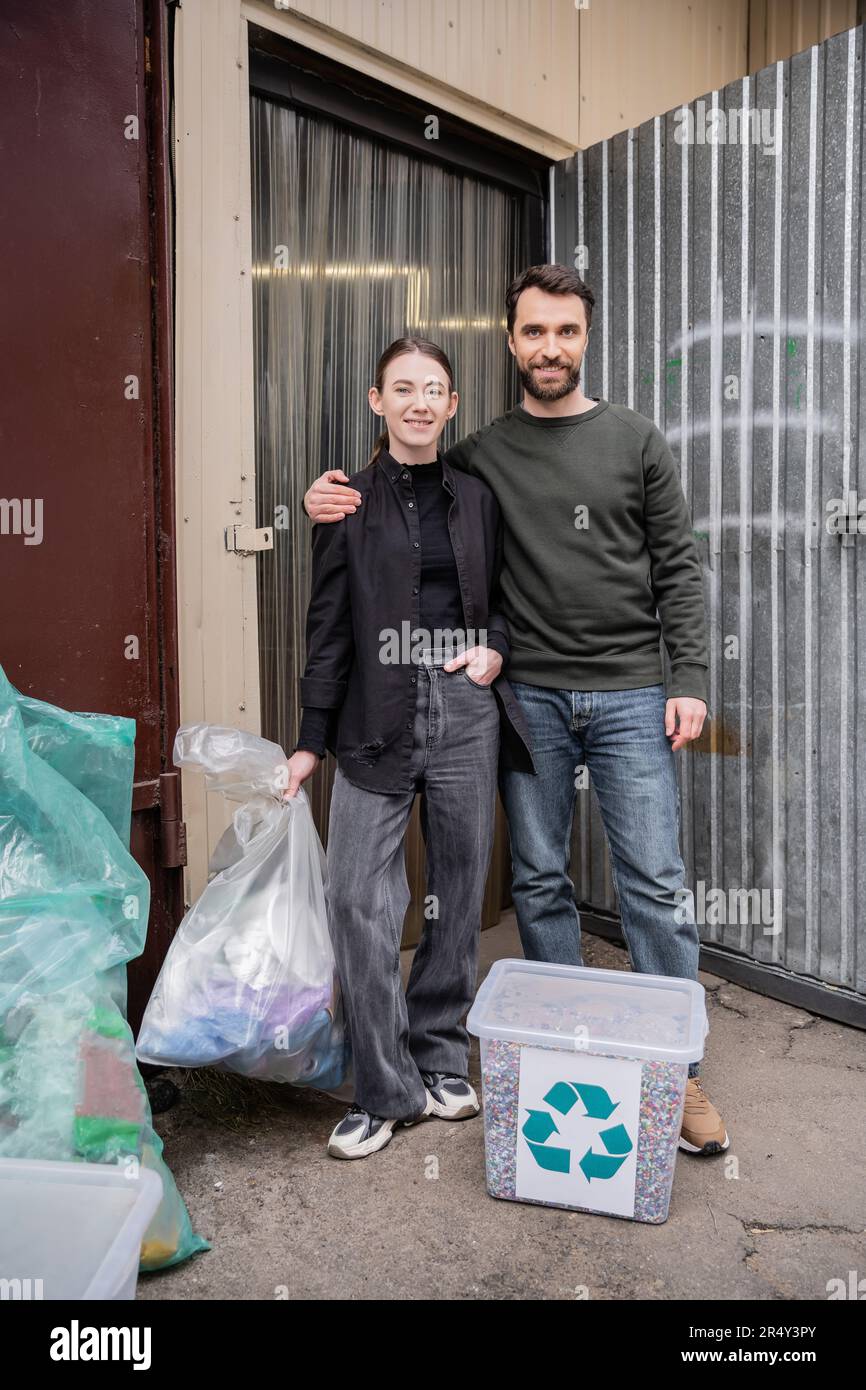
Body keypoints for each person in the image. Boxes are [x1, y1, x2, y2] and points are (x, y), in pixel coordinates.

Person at [302, 266, 729, 1157]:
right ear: (511, 342)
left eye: (566, 332)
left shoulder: (635, 441)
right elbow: (403, 489)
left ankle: (674, 1077)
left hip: (627, 693)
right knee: (536, 882)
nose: (550, 348)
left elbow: (677, 569)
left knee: (653, 885)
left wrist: (688, 676)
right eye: (534, 333)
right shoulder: (481, 455)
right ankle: (572, 1055)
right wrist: (324, 498)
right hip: (525, 696)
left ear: (585, 339)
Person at [283, 336, 535, 1160]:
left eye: (435, 389)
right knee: (357, 894)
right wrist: (309, 741)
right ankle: (384, 1088)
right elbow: (327, 629)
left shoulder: (478, 496)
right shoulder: (347, 503)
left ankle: (439, 1053)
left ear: (452, 406)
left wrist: (493, 649)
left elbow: (502, 600)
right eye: (404, 388)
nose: (420, 402)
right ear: (376, 400)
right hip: (374, 710)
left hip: (465, 703)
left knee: (460, 888)